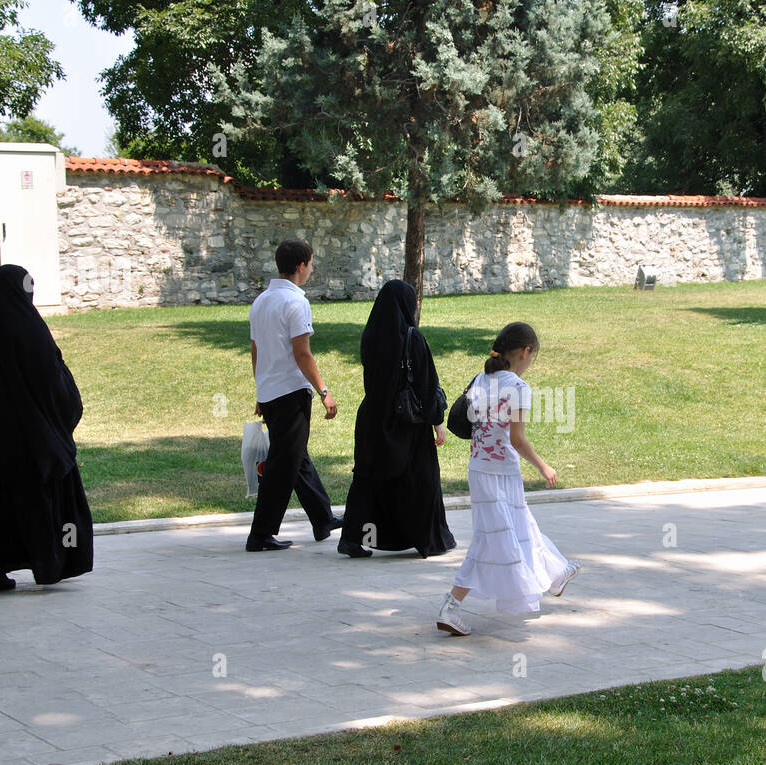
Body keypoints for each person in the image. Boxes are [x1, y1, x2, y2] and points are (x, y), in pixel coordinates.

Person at [0, 264, 93, 593]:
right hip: (32, 450)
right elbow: (56, 388)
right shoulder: (33, 333)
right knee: (38, 508)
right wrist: (63, 425)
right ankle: (49, 565)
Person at [436, 322, 581, 636]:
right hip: (501, 472)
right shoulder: (518, 388)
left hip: (479, 470)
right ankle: (451, 606)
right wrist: (543, 466)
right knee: (490, 540)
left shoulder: (481, 379)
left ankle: (555, 577)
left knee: (519, 525)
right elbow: (517, 439)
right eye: (533, 358)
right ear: (526, 352)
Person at [338, 279, 455, 559]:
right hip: (406, 424)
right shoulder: (413, 338)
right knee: (419, 479)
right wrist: (437, 420)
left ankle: (355, 538)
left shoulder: (370, 336)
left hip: (373, 419)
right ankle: (425, 538)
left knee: (368, 481)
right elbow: (426, 385)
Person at [246, 239, 343, 552]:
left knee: (295, 456)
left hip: (272, 392)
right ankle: (260, 534)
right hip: (291, 393)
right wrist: (324, 391)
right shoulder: (296, 303)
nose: (311, 268)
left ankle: (322, 517)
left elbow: (256, 350)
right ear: (301, 265)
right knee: (281, 465)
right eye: (311, 263)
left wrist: (261, 389)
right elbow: (303, 354)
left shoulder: (261, 302)